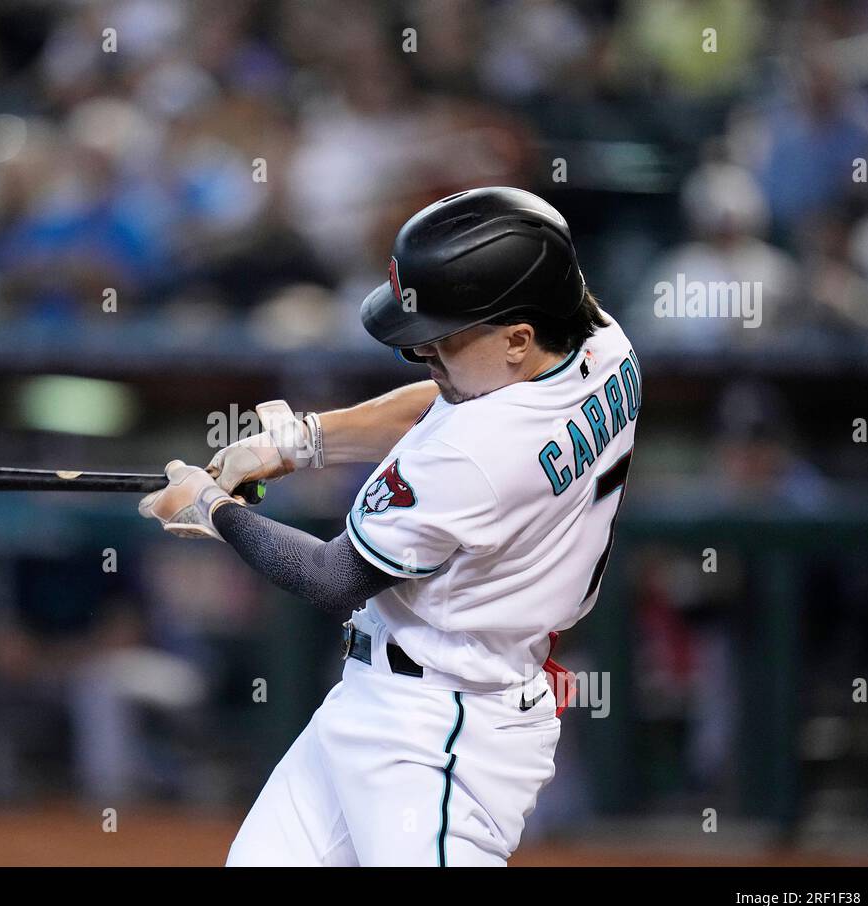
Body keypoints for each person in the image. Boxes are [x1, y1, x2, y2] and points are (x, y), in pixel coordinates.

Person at [138, 187, 642, 866]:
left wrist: (213, 511)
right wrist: (302, 441)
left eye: (440, 344)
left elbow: (333, 576)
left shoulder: (478, 454)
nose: (425, 357)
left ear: (518, 338)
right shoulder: (600, 342)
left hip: (445, 733)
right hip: (385, 696)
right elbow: (444, 400)